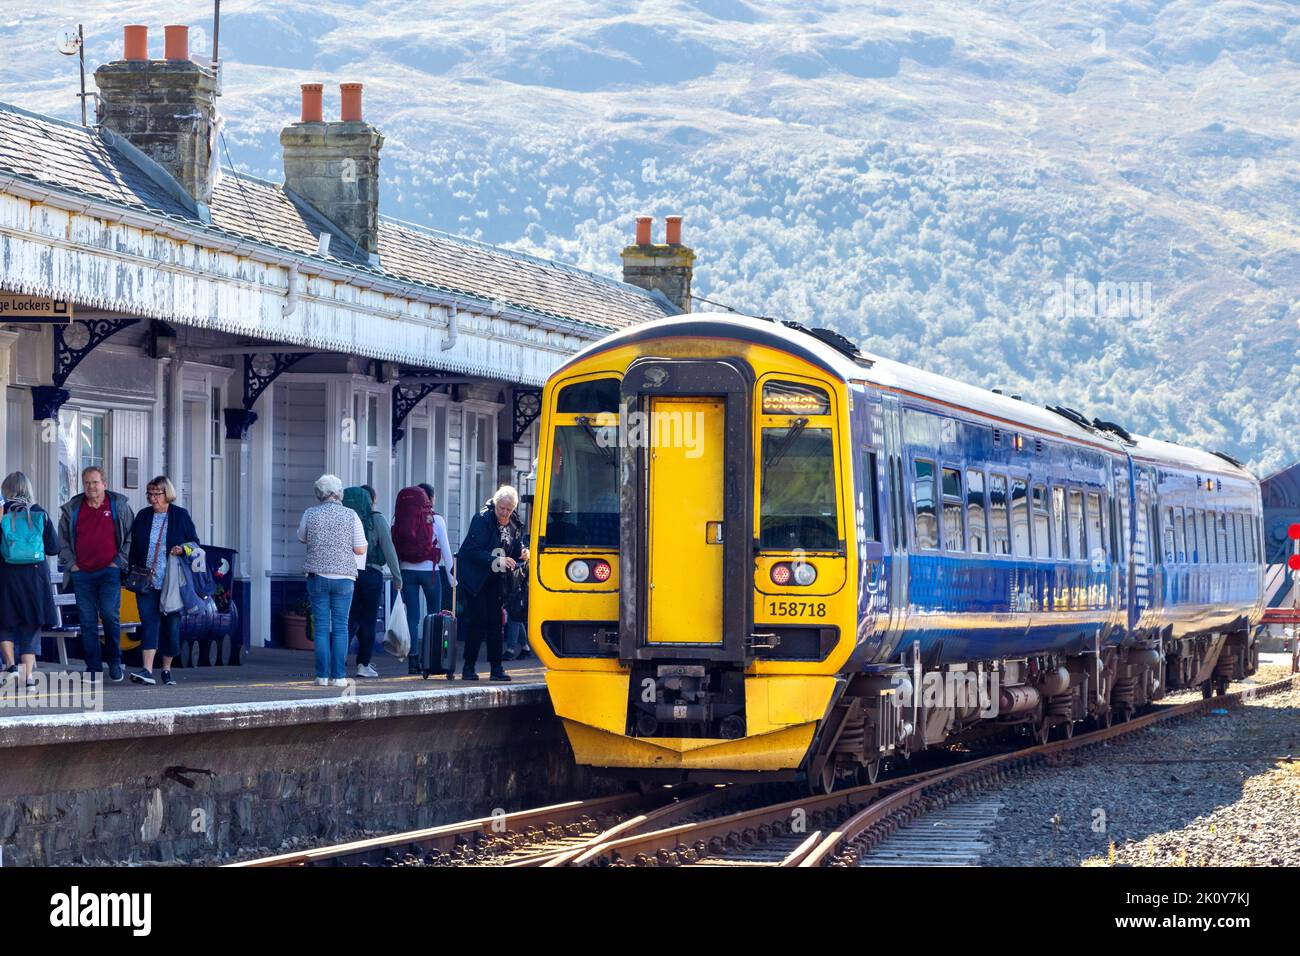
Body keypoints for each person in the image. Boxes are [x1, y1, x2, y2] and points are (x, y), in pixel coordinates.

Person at [58, 466, 134, 681]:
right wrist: (72, 564)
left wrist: (118, 562)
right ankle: (93, 667)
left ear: (104, 484)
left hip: (109, 572)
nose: (91, 487)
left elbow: (130, 536)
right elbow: (62, 541)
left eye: (95, 482)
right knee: (88, 622)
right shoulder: (73, 509)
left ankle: (115, 662)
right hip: (82, 574)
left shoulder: (118, 506)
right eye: (87, 483)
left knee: (110, 615)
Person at [126, 476, 198, 686]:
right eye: (150, 494)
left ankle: (166, 670)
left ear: (167, 494)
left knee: (171, 626)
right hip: (146, 581)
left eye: (157, 494)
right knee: (149, 624)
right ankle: (147, 670)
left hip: (172, 582)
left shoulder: (180, 516)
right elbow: (133, 546)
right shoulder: (143, 516)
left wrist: (181, 549)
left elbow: (194, 543)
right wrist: (131, 569)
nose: (153, 498)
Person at [297, 475, 366, 687]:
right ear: (338, 492)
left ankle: (322, 676)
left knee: (321, 627)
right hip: (344, 578)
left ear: (319, 493)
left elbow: (302, 537)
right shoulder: (351, 515)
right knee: (340, 627)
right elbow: (360, 548)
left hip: (317, 575)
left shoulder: (310, 513)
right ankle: (339, 676)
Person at [457, 486, 528, 681]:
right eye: (501, 508)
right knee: (478, 621)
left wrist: (522, 552)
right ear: (495, 505)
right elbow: (471, 551)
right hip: (476, 577)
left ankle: (497, 669)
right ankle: (468, 668)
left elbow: (514, 546)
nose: (504, 513)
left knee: (496, 623)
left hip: (497, 579)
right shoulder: (482, 519)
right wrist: (496, 560)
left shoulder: (514, 522)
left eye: (508, 509)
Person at [0, 472, 62, 689]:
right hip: (35, 577)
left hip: (6, 575)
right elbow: (54, 548)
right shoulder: (40, 513)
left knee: (4, 622)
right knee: (31, 625)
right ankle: (28, 678)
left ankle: (10, 666)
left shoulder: (2, 513)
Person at [392, 484, 455, 675]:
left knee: (413, 616)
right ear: (430, 499)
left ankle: (412, 660)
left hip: (406, 571)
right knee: (434, 614)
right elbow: (446, 550)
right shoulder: (436, 519)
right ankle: (431, 658)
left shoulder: (400, 518)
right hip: (431, 572)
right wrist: (453, 579)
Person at [343, 484, 401, 678]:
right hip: (372, 574)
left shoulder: (344, 518)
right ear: (371, 500)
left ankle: (339, 660)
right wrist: (397, 576)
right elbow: (388, 548)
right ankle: (363, 665)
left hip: (348, 574)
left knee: (348, 619)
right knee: (368, 621)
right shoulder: (377, 519)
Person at [503, 543, 531, 660]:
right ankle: (525, 648)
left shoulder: (528, 563)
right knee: (516, 618)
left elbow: (518, 576)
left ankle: (511, 649)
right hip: (520, 590)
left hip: (521, 591)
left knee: (514, 618)